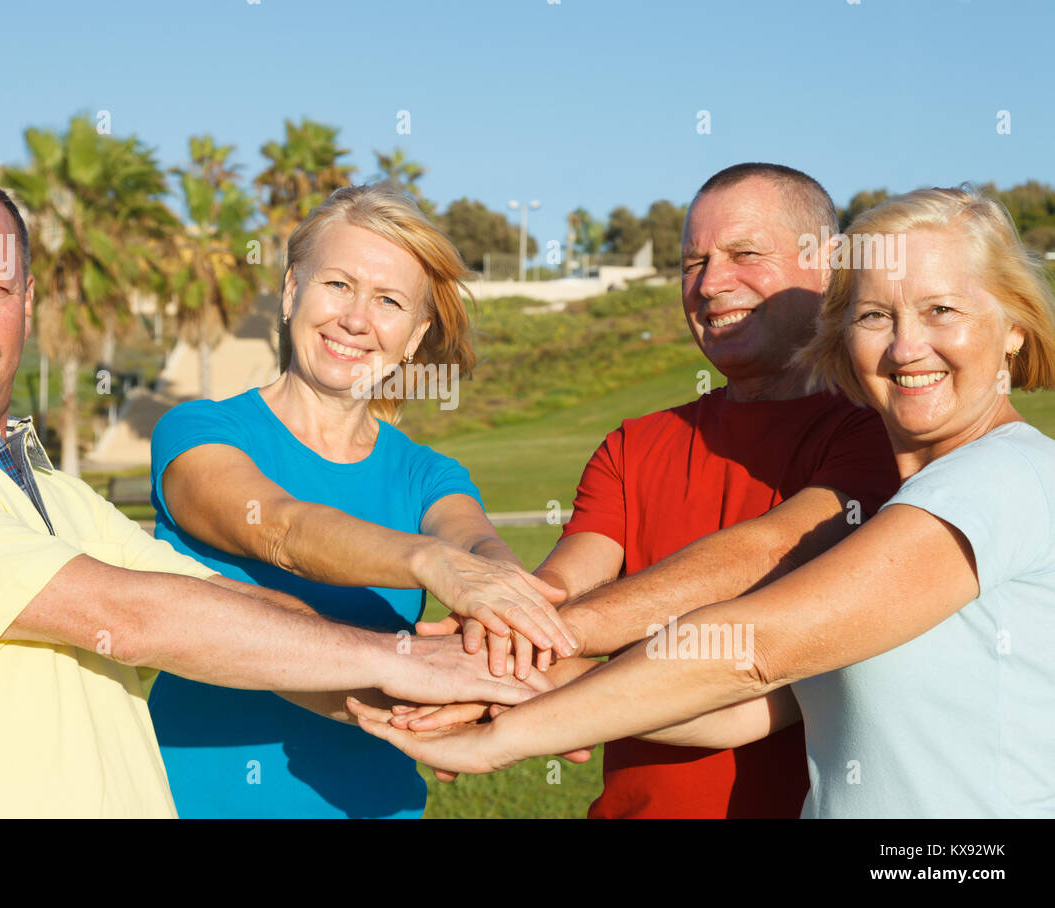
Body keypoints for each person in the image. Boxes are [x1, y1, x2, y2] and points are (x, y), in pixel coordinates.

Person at [0, 163, 546, 818]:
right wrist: (407, 651)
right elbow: (134, 615)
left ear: (29, 301)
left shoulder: (52, 492)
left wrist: (423, 702)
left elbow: (228, 604)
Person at [354, 185, 1055, 817]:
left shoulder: (1001, 477)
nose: (907, 347)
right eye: (876, 315)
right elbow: (741, 707)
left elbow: (755, 647)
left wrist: (500, 737)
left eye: (942, 310)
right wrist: (519, 686)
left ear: (1015, 328)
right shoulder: (922, 490)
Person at [409, 162, 902, 817]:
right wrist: (496, 636)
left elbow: (766, 550)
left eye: (744, 254)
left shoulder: (883, 436)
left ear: (830, 263)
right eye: (692, 262)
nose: (711, 283)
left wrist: (516, 654)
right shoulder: (634, 444)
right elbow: (565, 585)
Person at [147, 183, 577, 818]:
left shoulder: (428, 473)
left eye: (388, 301)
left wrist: (503, 612)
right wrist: (432, 564)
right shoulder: (198, 433)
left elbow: (476, 543)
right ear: (292, 291)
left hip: (376, 805)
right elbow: (282, 531)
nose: (356, 319)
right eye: (338, 285)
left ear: (414, 335)